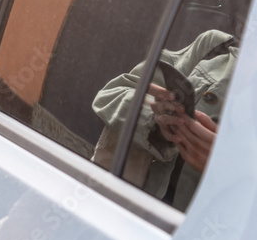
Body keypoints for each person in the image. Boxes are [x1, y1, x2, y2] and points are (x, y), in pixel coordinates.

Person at [92, 29, 233, 211]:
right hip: (120, 210)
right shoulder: (215, 47)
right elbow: (110, 96)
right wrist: (155, 120)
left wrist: (232, 168)